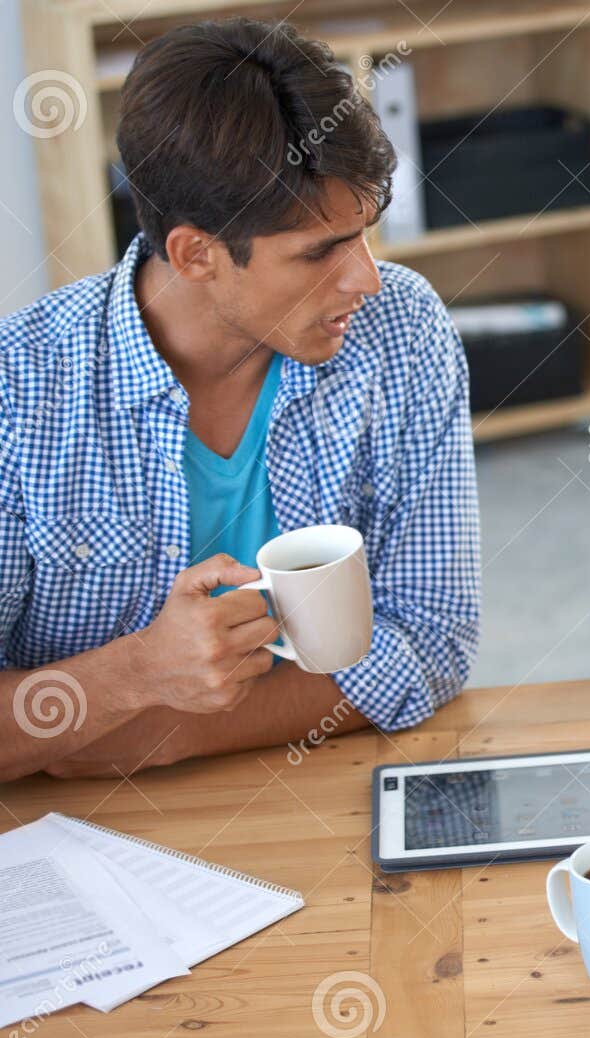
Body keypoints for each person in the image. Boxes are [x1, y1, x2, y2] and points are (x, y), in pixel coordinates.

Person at [0, 19, 480, 782]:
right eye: (319, 252)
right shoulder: (20, 389)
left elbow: (432, 641)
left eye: (363, 233)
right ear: (196, 253)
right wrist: (136, 675)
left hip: (318, 791)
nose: (367, 279)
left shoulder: (403, 331)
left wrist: (172, 732)